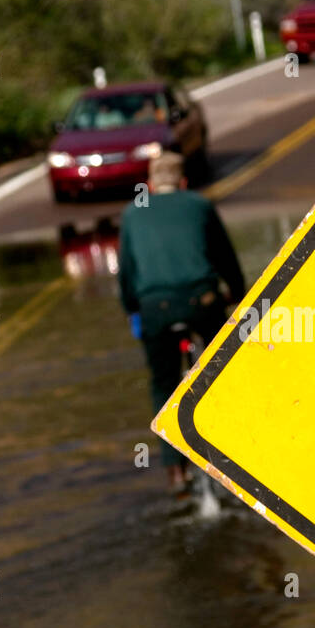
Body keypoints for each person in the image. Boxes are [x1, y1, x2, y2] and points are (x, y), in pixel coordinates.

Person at [118, 151, 245, 491]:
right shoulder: (198, 205)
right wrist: (237, 293)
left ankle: (175, 471)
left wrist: (132, 309)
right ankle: (234, 454)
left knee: (162, 383)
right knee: (222, 372)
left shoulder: (133, 213)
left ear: (149, 184)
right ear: (184, 181)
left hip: (154, 306)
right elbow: (225, 256)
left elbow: (127, 274)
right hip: (202, 300)